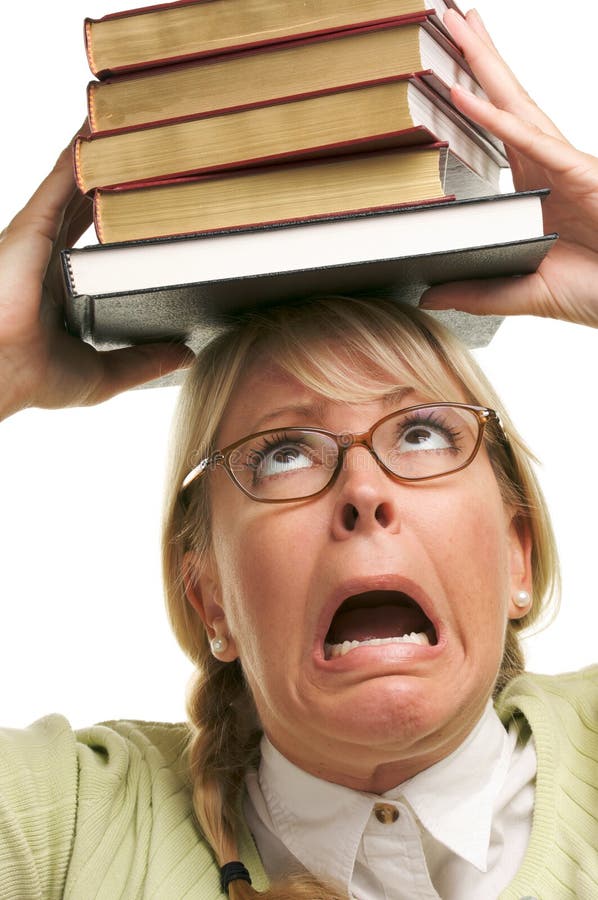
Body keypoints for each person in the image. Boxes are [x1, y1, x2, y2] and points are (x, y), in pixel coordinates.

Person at [0, 8, 597, 900]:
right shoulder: (67, 824)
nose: (364, 490)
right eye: (282, 454)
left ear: (519, 552)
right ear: (209, 598)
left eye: (422, 433)